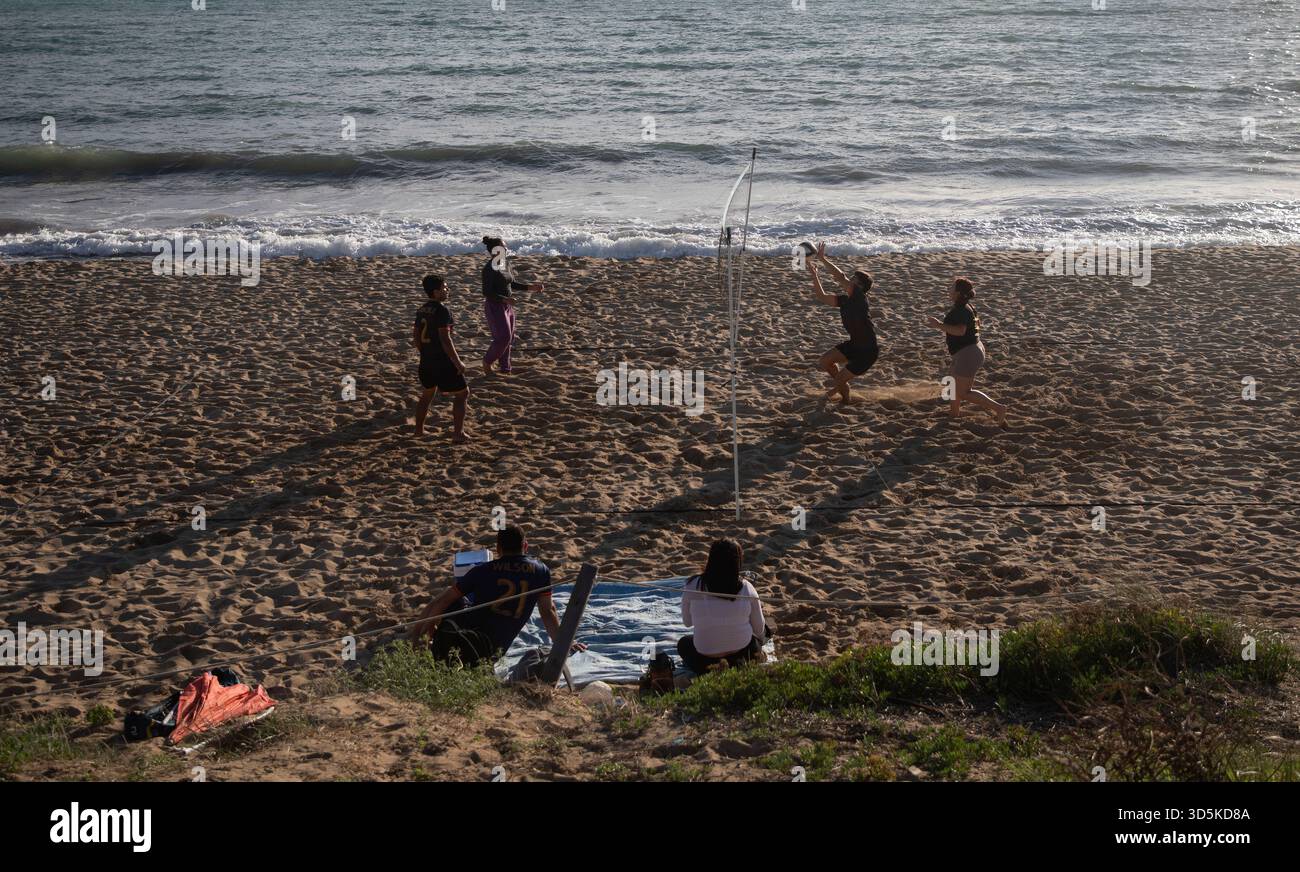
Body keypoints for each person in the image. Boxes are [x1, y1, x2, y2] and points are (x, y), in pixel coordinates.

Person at [408, 525, 586, 666]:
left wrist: (424, 632)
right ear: (525, 546)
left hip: (472, 642)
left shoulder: (482, 570)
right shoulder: (540, 571)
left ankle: (418, 640)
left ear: (498, 549)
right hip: (495, 649)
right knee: (453, 601)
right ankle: (420, 639)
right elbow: (548, 612)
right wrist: (563, 644)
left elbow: (443, 601)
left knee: (447, 600)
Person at [927, 277, 1008, 426]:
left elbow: (960, 331)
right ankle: (954, 413)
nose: (949, 288)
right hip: (969, 350)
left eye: (952, 286)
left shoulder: (961, 309)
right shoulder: (965, 306)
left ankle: (999, 408)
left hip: (969, 354)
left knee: (964, 392)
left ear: (957, 292)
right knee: (952, 382)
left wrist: (938, 325)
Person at [678, 539, 767, 674]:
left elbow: (687, 622)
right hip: (741, 657)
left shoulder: (693, 585)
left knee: (684, 644)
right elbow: (759, 629)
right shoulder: (747, 588)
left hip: (706, 662)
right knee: (756, 639)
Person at [806, 242, 880, 403]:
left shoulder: (860, 297)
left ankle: (844, 398)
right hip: (855, 344)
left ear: (859, 285)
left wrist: (823, 259)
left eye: (853, 278)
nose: (850, 279)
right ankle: (841, 385)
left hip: (868, 351)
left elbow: (840, 277)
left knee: (839, 379)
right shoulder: (846, 299)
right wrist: (814, 275)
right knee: (825, 361)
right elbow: (822, 296)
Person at [412, 274, 469, 443]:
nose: (447, 290)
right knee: (463, 393)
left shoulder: (421, 309)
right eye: (445, 287)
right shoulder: (443, 310)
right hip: (442, 361)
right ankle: (458, 433)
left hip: (426, 360)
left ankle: (418, 431)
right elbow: (445, 339)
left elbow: (415, 335)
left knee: (427, 393)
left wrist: (424, 352)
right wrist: (457, 362)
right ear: (436, 292)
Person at [480, 235, 543, 376]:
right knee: (503, 338)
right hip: (495, 306)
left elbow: (512, 283)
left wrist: (531, 288)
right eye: (503, 247)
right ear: (495, 251)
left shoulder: (505, 264)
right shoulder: (489, 269)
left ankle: (505, 368)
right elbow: (486, 292)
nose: (506, 250)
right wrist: (504, 299)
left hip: (507, 306)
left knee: (509, 338)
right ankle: (487, 362)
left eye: (506, 247)